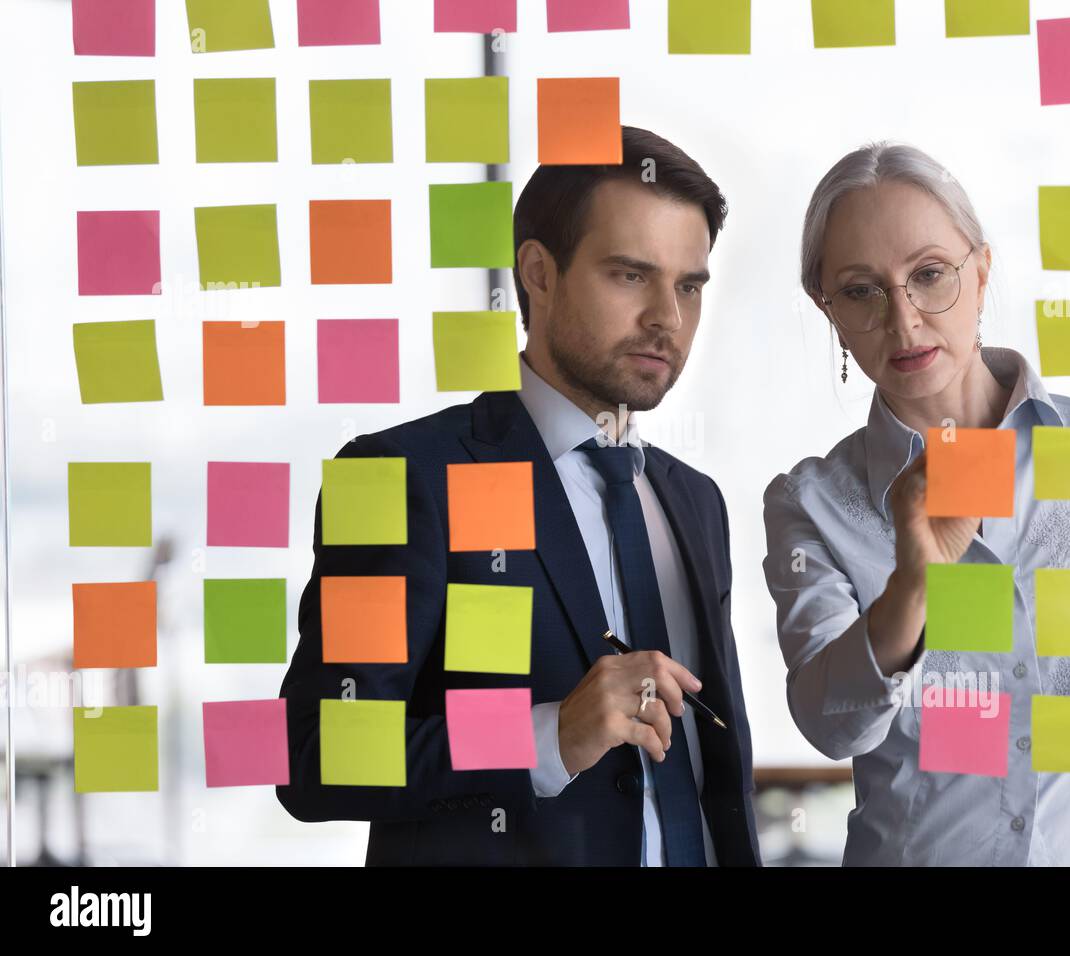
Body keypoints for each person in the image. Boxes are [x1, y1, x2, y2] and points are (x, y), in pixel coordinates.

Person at [761, 141, 1070, 865]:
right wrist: (913, 587)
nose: (905, 320)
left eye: (930, 275)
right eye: (862, 290)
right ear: (826, 308)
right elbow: (834, 725)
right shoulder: (814, 503)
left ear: (982, 272)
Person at [277, 126, 759, 866]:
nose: (668, 316)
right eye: (631, 275)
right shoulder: (401, 476)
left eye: (688, 285)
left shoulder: (695, 502)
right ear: (537, 271)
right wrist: (547, 735)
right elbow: (313, 753)